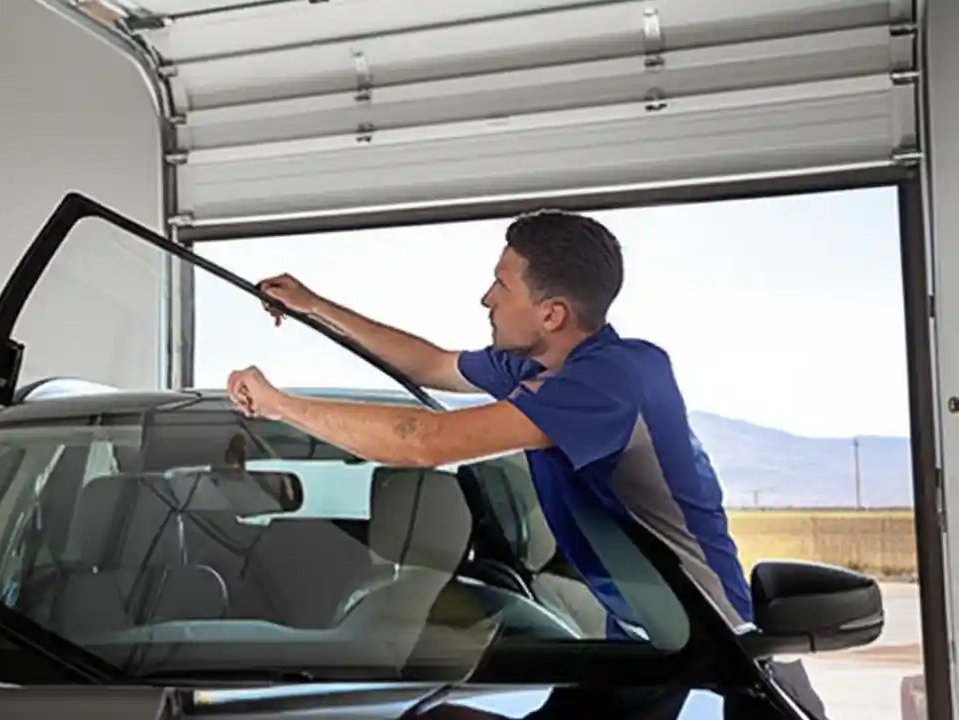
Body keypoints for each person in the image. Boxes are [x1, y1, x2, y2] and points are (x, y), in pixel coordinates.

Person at [225, 209, 754, 639]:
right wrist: (313, 306)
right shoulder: (537, 366)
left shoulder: (609, 381)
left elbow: (426, 442)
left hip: (712, 640)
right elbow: (430, 364)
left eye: (502, 285)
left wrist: (280, 405)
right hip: (639, 630)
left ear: (552, 314)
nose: (486, 298)